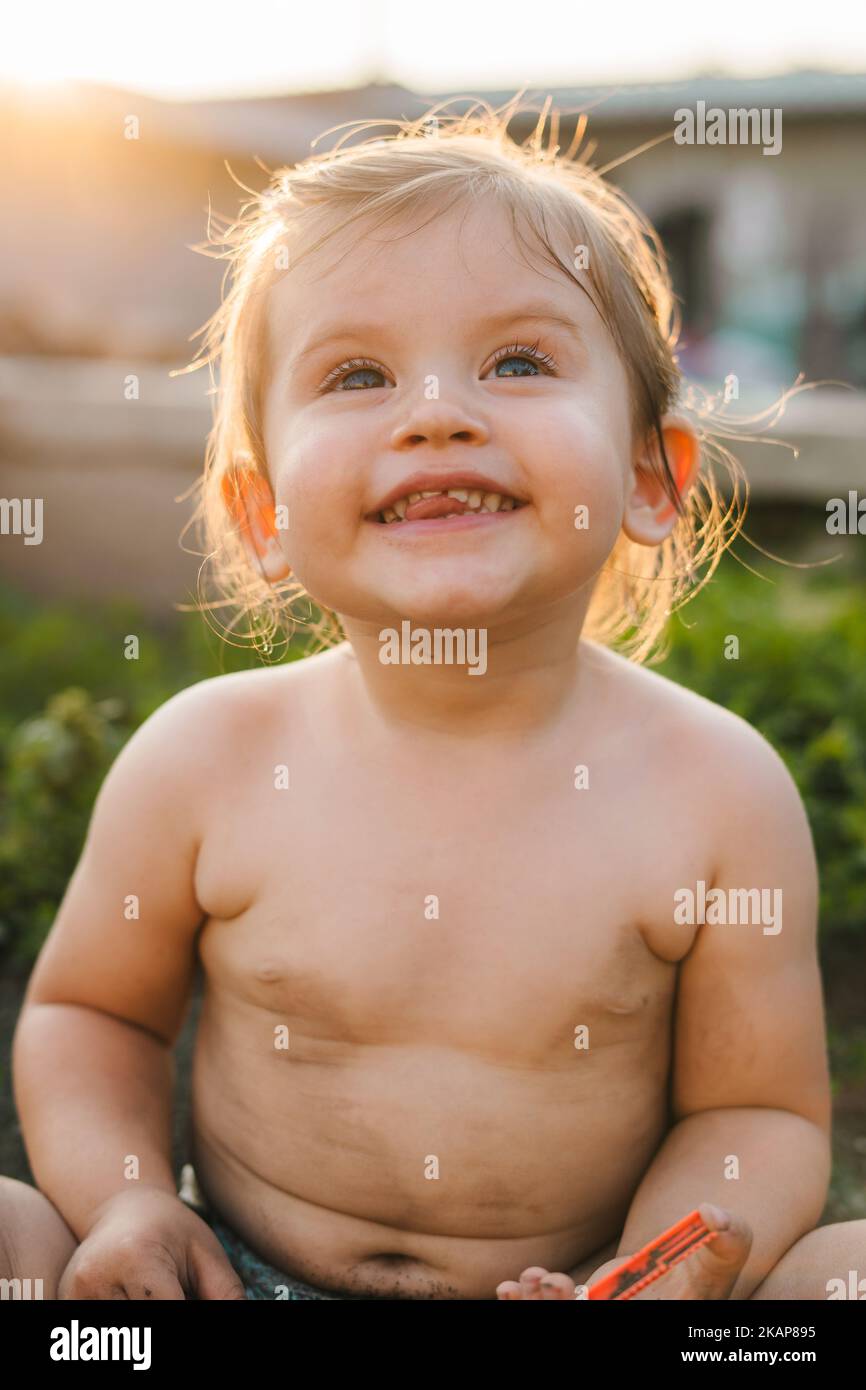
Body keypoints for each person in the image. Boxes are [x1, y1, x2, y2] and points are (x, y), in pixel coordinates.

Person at [4, 99, 864, 1300]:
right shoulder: (206, 759)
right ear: (263, 517)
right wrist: (134, 1201)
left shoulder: (714, 792)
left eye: (517, 362)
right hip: (222, 1285)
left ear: (644, 475)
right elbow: (91, 1016)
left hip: (568, 1294)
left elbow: (755, 1110)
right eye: (357, 374)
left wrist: (654, 1269)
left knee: (846, 1270)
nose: (434, 412)